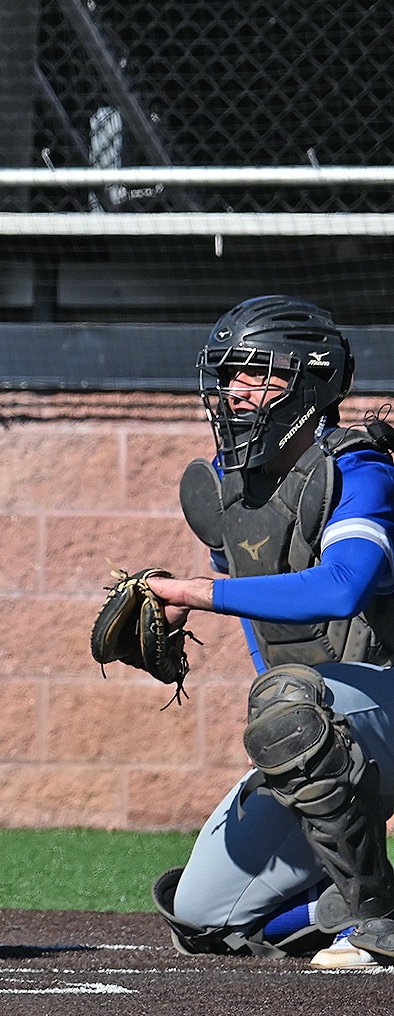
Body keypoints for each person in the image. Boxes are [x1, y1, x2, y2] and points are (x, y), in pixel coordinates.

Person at [140, 295, 394, 970]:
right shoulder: (230, 491)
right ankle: (329, 909)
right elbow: (273, 640)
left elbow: (343, 588)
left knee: (291, 701)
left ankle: (380, 922)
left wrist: (200, 591)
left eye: (257, 374)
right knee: (202, 917)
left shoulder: (361, 471)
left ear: (311, 381)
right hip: (340, 717)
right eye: (228, 376)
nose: (235, 392)